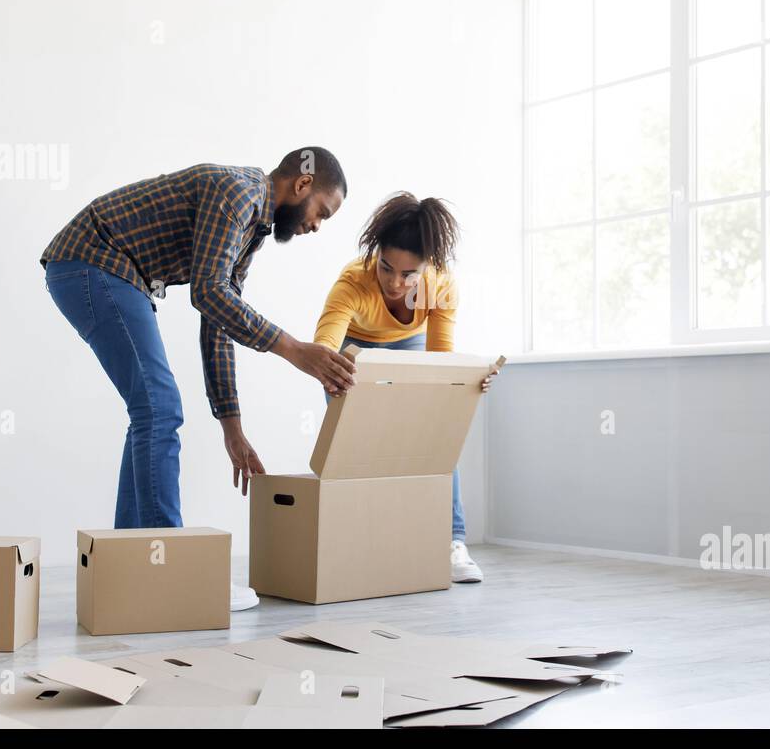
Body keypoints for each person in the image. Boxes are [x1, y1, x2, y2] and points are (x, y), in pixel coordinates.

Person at [40, 149, 357, 611]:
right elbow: (209, 291)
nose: (315, 226)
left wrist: (232, 426)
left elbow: (218, 317)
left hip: (107, 270)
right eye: (321, 213)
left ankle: (130, 567)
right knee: (159, 409)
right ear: (303, 185)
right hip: (94, 260)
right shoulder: (238, 193)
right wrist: (294, 351)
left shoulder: (252, 231)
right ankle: (169, 572)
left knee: (152, 411)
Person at [313, 192, 498, 584]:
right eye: (386, 268)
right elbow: (324, 348)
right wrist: (334, 369)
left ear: (427, 269)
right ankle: (350, 543)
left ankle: (452, 542)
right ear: (375, 255)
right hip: (355, 347)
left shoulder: (442, 286)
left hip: (408, 344)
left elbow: (441, 363)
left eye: (408, 274)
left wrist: (463, 384)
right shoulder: (352, 282)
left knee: (435, 434)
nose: (395, 282)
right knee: (355, 444)